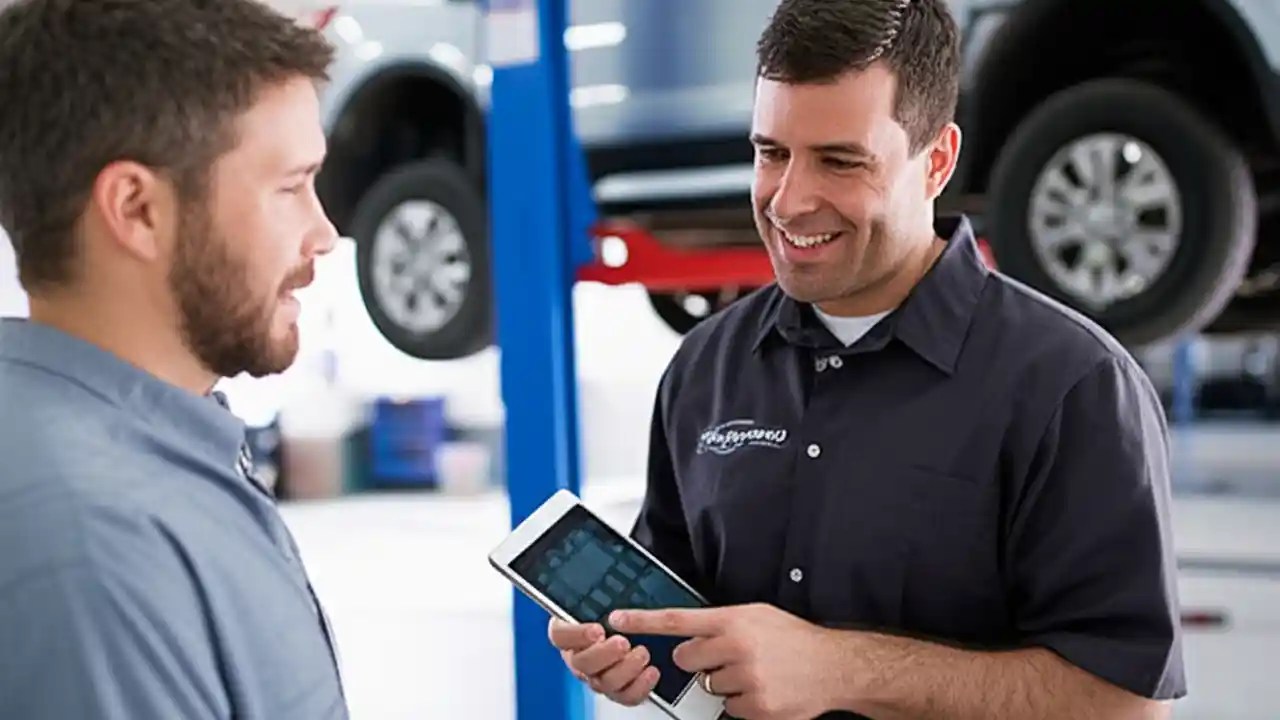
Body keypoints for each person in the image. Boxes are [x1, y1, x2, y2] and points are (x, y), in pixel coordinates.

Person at [549, 0, 1186, 718]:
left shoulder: (1073, 387)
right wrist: (633, 649)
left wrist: (843, 669)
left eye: (840, 161)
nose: (789, 201)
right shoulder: (706, 367)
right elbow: (680, 621)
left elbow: (1125, 705)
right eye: (771, 153)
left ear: (937, 160)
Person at [0, 1, 346, 718]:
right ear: (137, 209)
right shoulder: (95, 549)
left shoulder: (153, 451)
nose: (323, 233)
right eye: (289, 187)